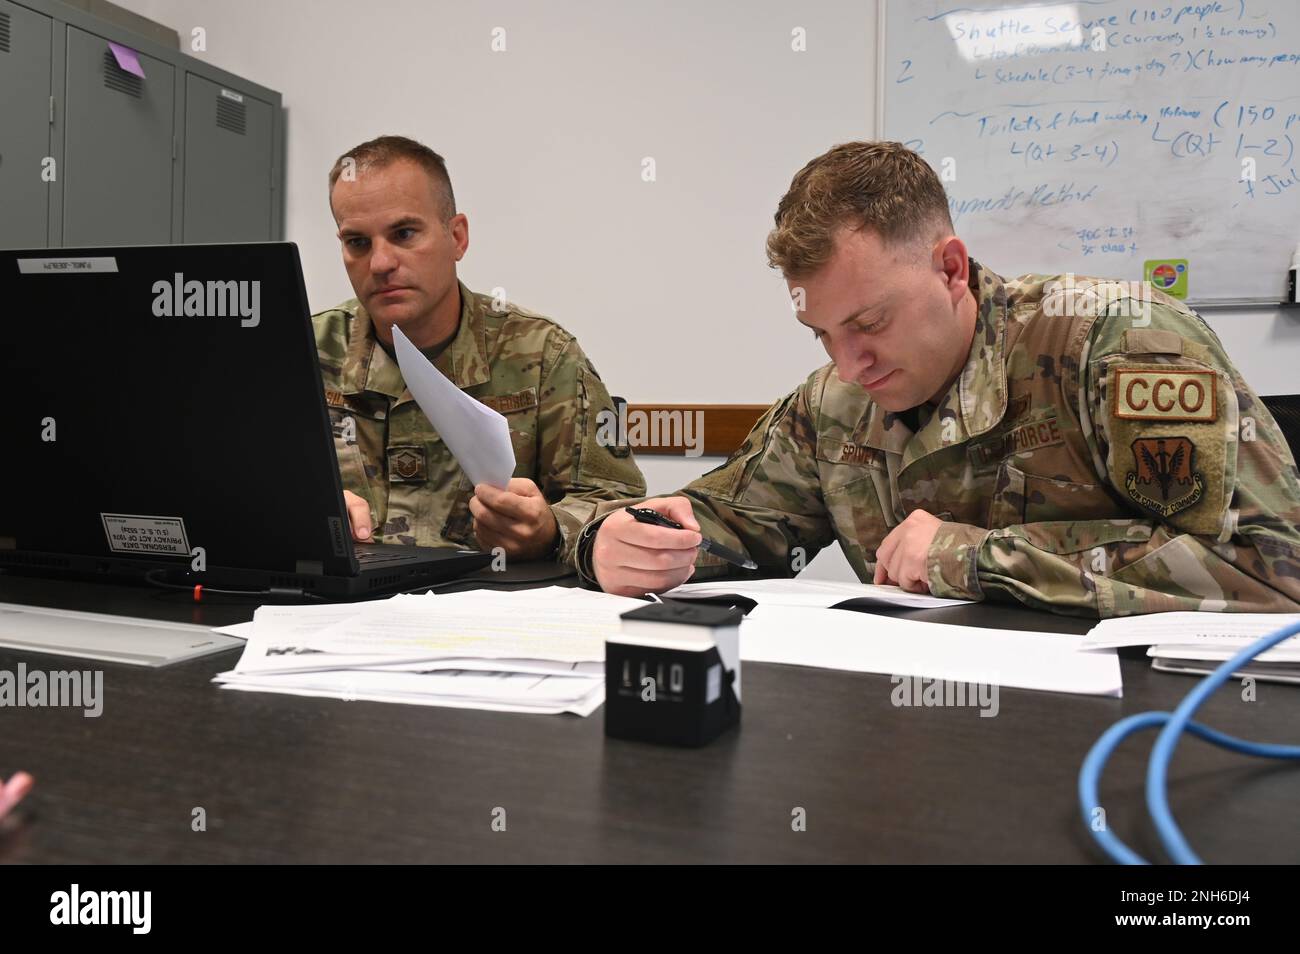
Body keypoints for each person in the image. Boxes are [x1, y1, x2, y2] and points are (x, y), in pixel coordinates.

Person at [579, 141, 1300, 616]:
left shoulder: (1117, 343)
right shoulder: (834, 404)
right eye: (822, 334)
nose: (848, 363)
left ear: (951, 269)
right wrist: (619, 541)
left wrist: (970, 556)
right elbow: (731, 525)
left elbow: (1271, 574)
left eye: (869, 323)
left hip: (1136, 734)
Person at [314, 136, 645, 562]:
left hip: (489, 609)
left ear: (457, 237)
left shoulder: (544, 354)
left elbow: (620, 505)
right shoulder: (305, 352)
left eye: (404, 233)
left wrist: (551, 530)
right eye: (357, 242)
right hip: (337, 615)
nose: (380, 263)